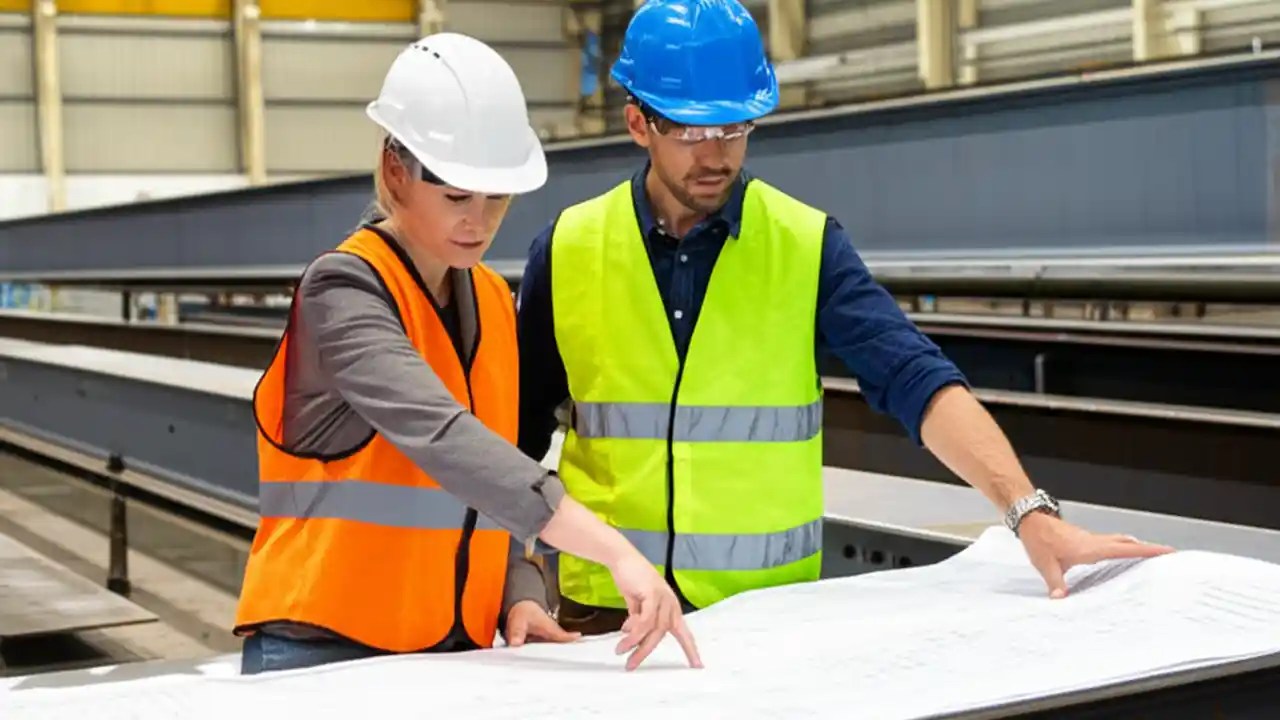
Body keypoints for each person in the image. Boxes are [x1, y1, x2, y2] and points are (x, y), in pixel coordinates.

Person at [515, 0, 1175, 636]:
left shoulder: (805, 246)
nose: (715, 155)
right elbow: (506, 442)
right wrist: (512, 580)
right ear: (639, 124)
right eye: (691, 131)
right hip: (607, 615)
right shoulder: (571, 248)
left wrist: (1029, 511)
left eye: (735, 129)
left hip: (769, 620)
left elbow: (915, 379)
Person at [232, 32, 700, 674]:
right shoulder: (341, 291)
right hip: (323, 653)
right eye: (456, 197)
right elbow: (443, 437)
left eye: (497, 199)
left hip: (451, 652)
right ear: (397, 171)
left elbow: (495, 469)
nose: (478, 221)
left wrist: (519, 592)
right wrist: (614, 551)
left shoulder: (489, 298)